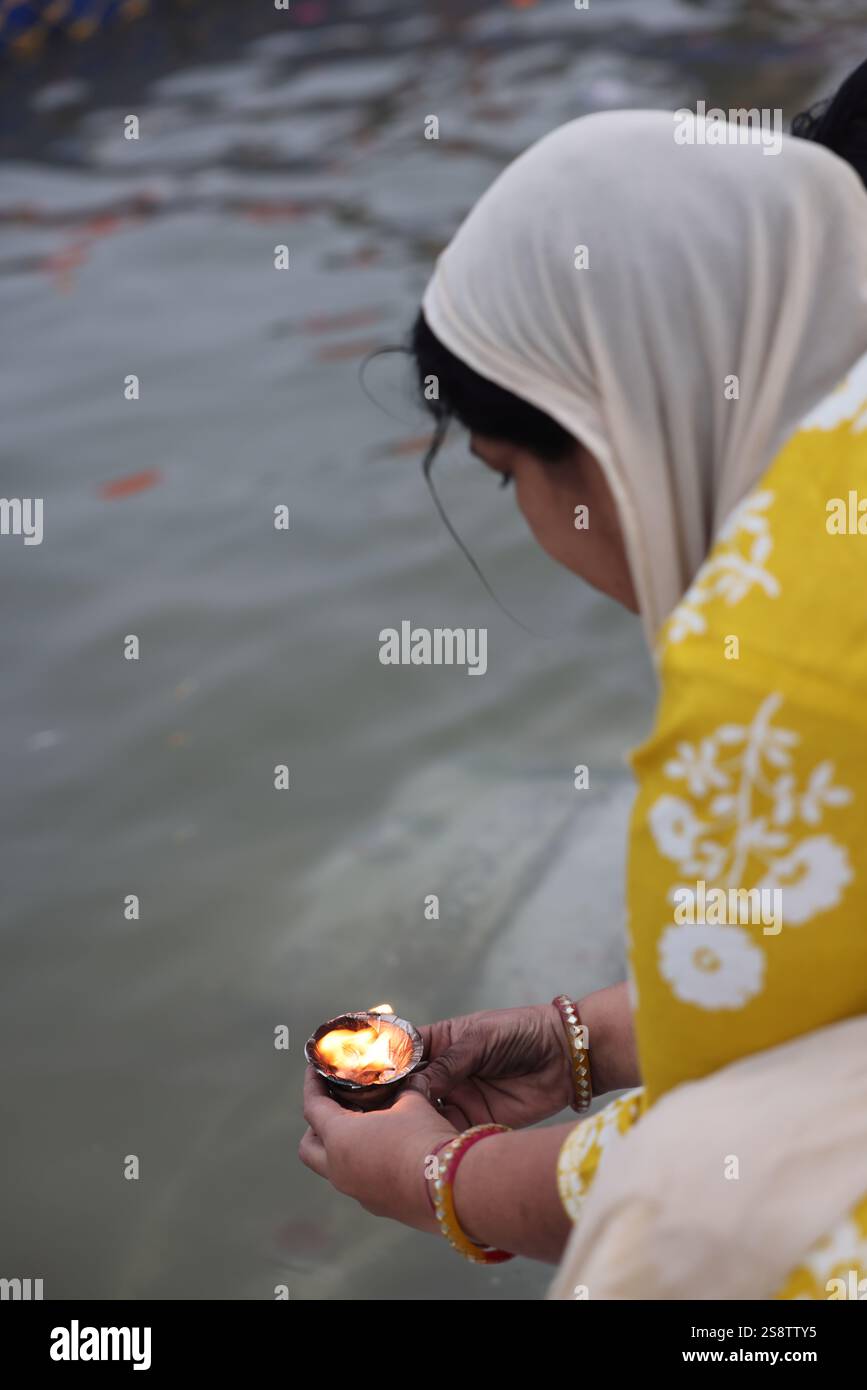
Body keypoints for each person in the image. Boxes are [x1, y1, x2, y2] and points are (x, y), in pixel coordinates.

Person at [300, 62, 867, 1299]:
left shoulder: (781, 670)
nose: (540, 533)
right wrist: (584, 1039)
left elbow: (756, 1165)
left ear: (613, 431)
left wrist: (443, 1181)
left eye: (508, 475)